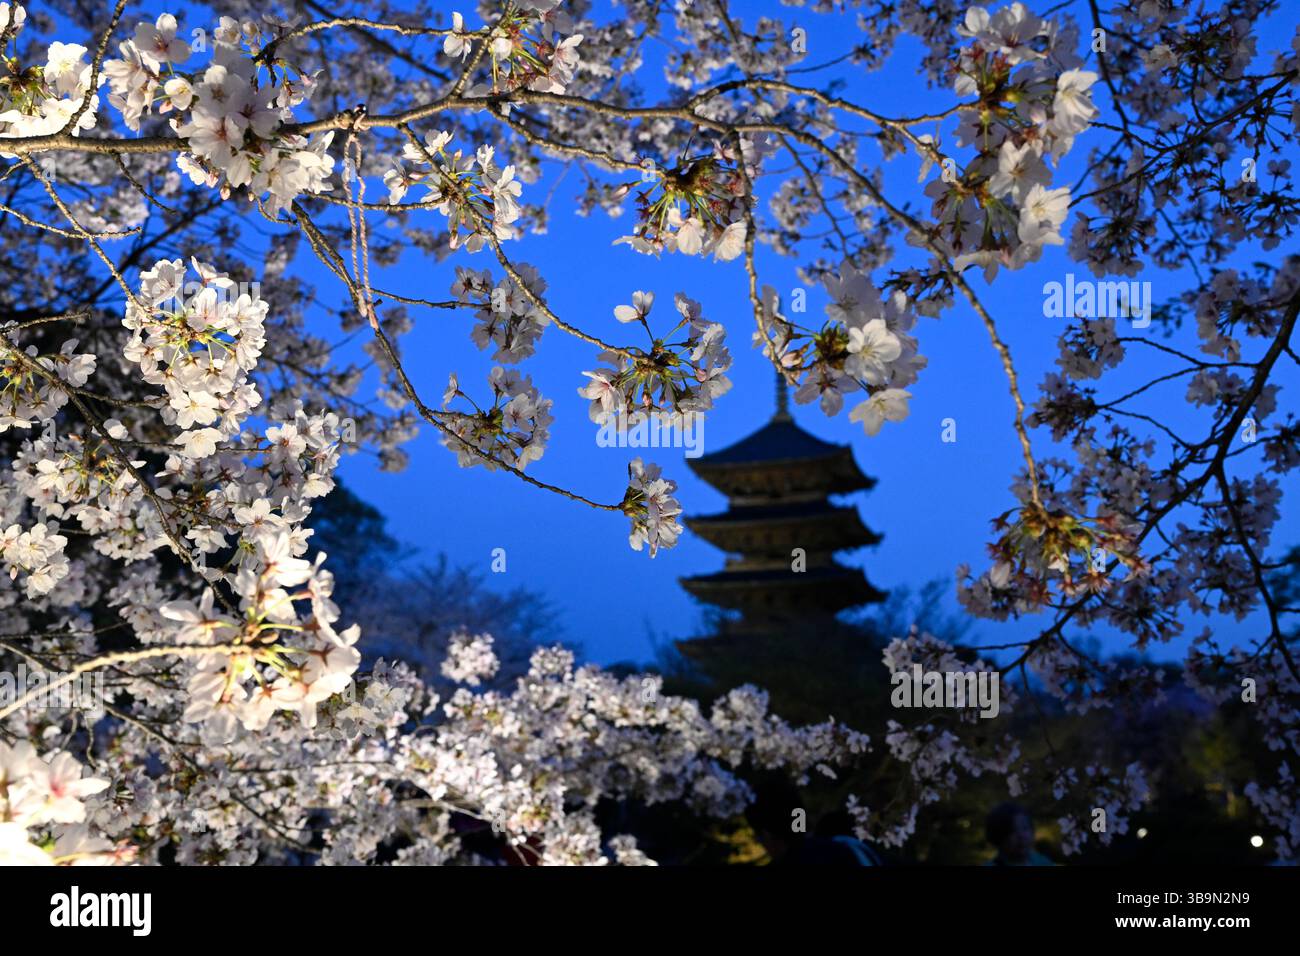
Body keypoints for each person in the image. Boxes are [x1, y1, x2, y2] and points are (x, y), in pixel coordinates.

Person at [984, 802, 1055, 866]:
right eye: (1012, 830)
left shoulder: (1043, 862)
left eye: (1025, 828)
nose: (1021, 836)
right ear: (998, 836)